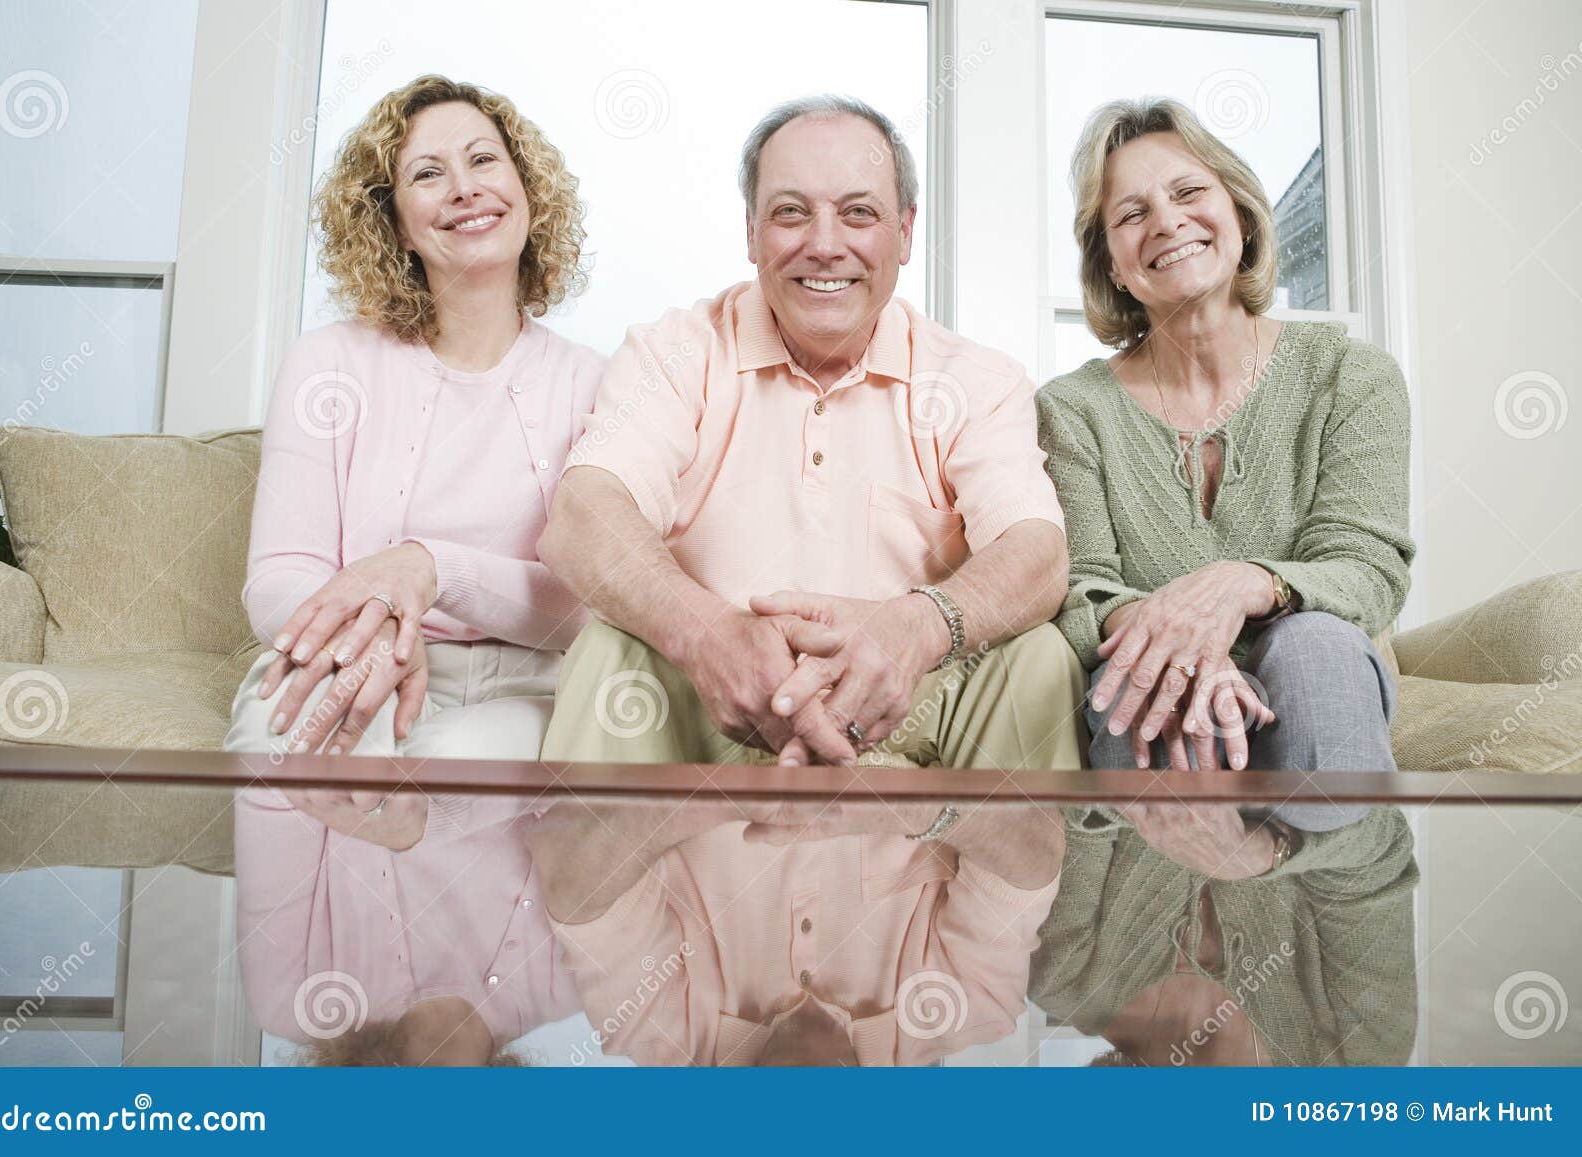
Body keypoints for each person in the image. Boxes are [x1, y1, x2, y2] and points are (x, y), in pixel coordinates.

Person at [538, 95, 1083, 772]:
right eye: (791, 212)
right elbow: (582, 515)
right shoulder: (677, 350)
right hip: (710, 705)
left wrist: (916, 626)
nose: (825, 245)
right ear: (751, 231)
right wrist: (710, 637)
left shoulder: (975, 377)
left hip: (909, 703)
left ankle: (993, 882)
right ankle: (612, 878)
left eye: (859, 213)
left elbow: (1037, 552)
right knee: (606, 651)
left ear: (906, 231)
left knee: (1038, 660)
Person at [1038, 98, 1414, 829]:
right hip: (1147, 692)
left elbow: (1368, 570)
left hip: (1315, 678)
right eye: (1132, 214)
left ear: (1239, 215)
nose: (1167, 223)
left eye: (1188, 193)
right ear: (1110, 264)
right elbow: (1082, 590)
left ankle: (1344, 911)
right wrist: (1187, 644)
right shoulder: (1071, 409)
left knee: (1315, 648)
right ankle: (1160, 933)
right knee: (1140, 676)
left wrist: (1243, 583)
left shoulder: (1350, 375)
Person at [223, 75, 601, 762]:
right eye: (428, 174)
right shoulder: (328, 364)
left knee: (456, 771)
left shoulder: (593, 383)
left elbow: (587, 604)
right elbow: (280, 574)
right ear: (394, 222)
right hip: (343, 651)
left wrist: (433, 569)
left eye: (484, 160)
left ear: (529, 192)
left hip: (530, 684)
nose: (464, 187)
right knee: (282, 734)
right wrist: (369, 643)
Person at [530, 798, 1063, 1065]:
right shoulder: (969, 1011)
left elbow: (567, 850)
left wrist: (741, 788)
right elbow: (1036, 834)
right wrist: (890, 797)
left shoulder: (655, 1031)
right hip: (914, 663)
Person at [1030, 803, 1418, 1066]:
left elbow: (1081, 802)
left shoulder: (1065, 979)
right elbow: (1378, 849)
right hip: (1302, 741)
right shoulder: (1360, 1061)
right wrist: (1262, 852)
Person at [235, 787, 578, 1066]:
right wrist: (429, 820)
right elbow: (592, 783)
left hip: (359, 719)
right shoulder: (566, 984)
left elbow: (274, 783)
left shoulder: (295, 1002)